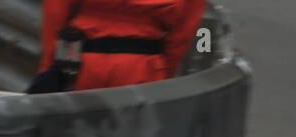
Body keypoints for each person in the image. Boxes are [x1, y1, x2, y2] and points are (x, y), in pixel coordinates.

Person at [39, 0, 206, 92]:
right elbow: (182, 33)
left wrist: (49, 68)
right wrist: (162, 74)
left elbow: (55, 14)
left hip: (81, 66)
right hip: (144, 67)